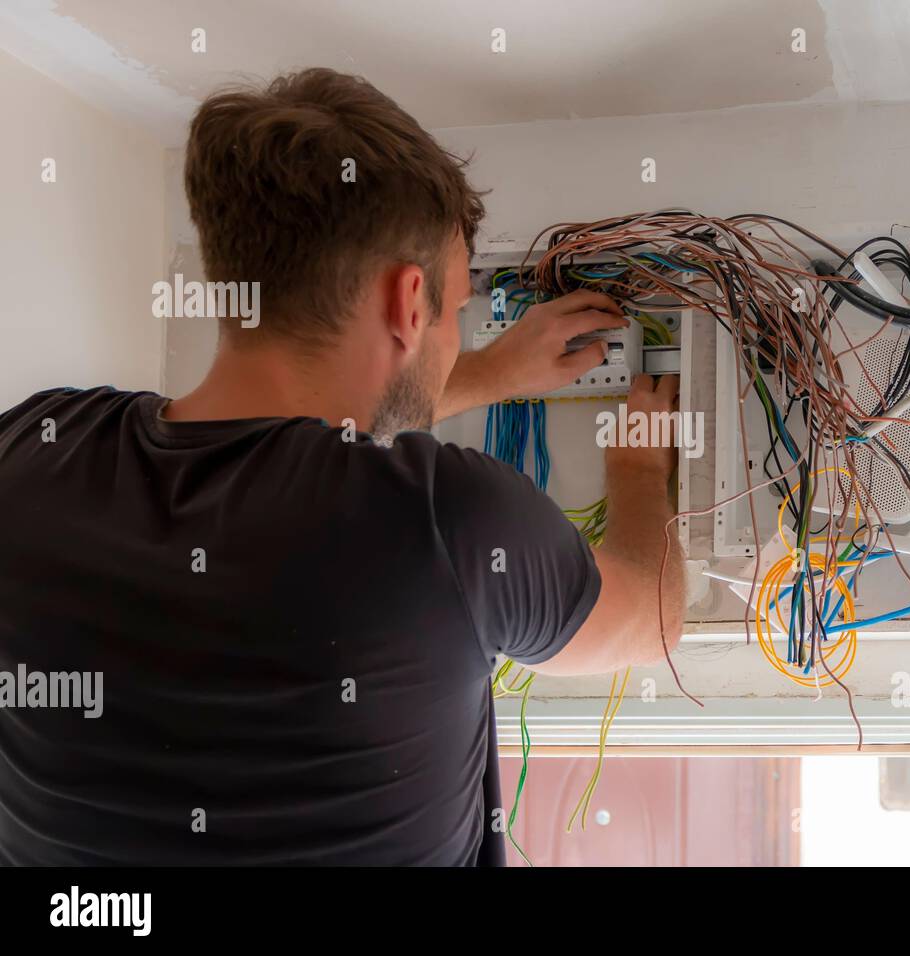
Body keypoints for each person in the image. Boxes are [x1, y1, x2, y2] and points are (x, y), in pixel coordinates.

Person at [0, 68, 684, 865]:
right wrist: (639, 473)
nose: (457, 333)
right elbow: (654, 618)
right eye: (456, 309)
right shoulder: (448, 520)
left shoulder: (34, 452)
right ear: (408, 301)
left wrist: (492, 373)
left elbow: (301, 450)